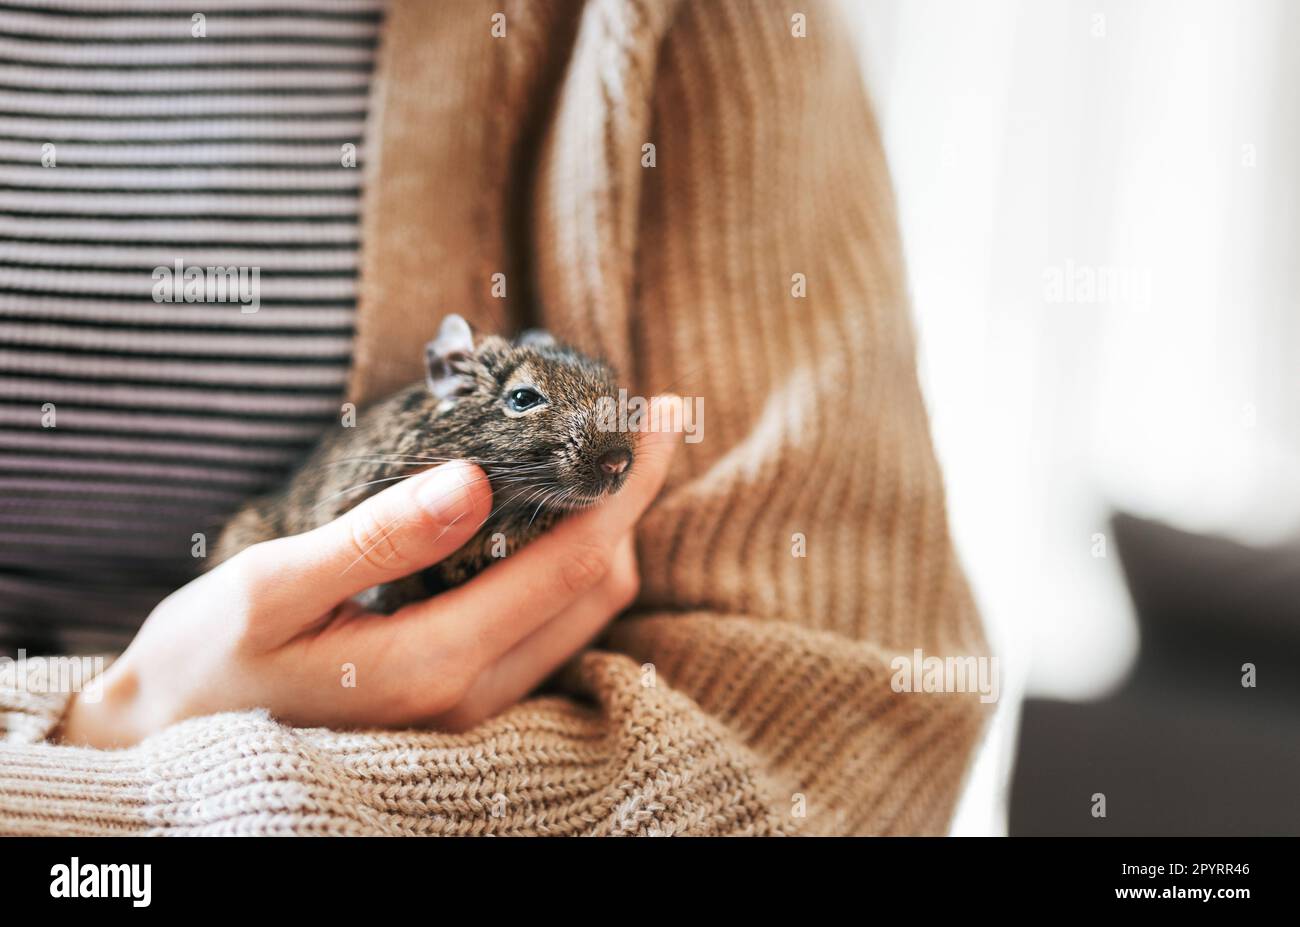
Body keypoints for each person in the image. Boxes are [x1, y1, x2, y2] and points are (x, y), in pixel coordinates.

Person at [0, 0, 990, 835]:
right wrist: (107, 744)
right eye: (523, 405)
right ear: (454, 383)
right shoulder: (412, 442)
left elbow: (843, 748)